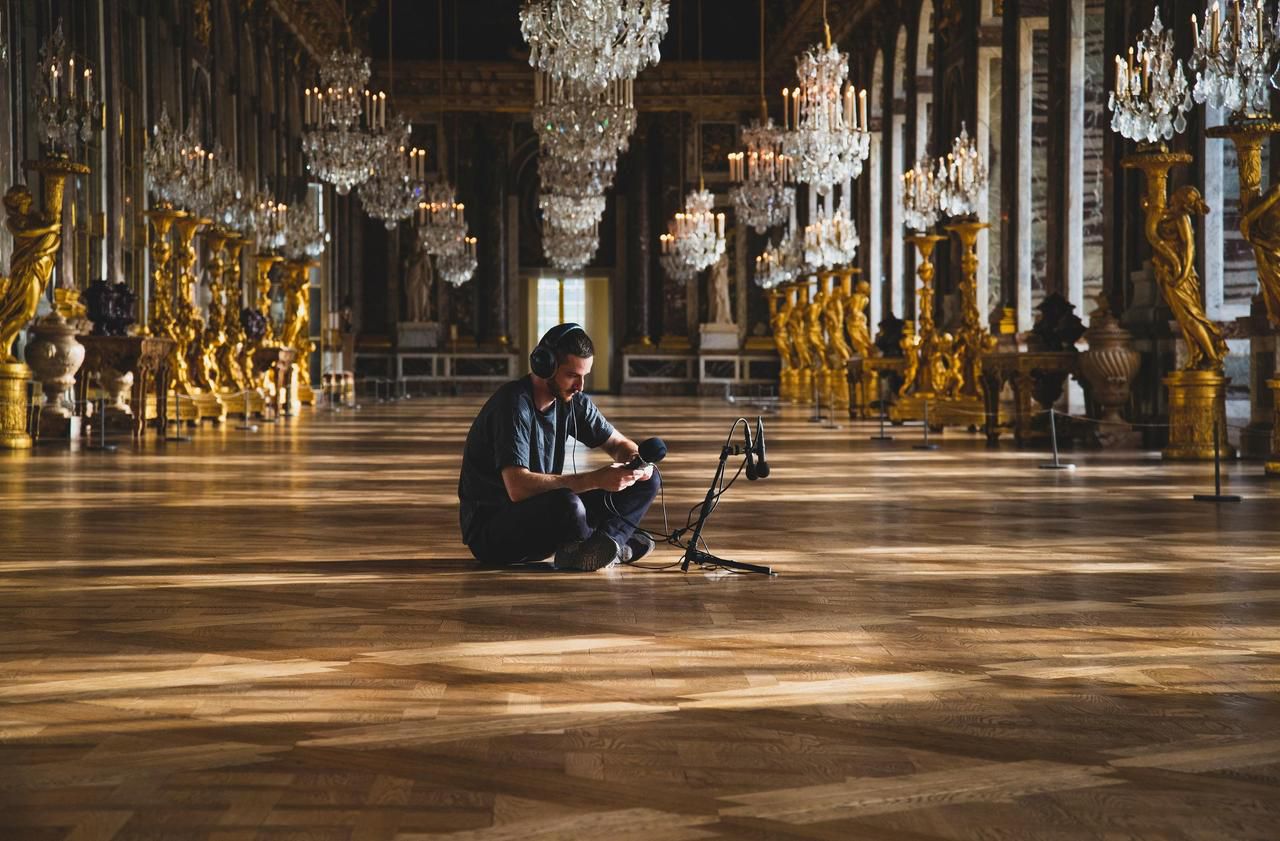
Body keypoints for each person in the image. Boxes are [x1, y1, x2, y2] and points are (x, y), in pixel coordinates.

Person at [458, 323, 660, 571]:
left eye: (585, 375)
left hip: (543, 516)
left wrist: (634, 460)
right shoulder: (512, 405)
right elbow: (518, 488)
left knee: (649, 479)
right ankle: (608, 546)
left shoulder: (573, 400)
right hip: (494, 532)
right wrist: (597, 479)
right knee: (568, 504)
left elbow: (617, 443)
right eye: (573, 375)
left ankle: (608, 547)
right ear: (545, 366)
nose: (581, 386)